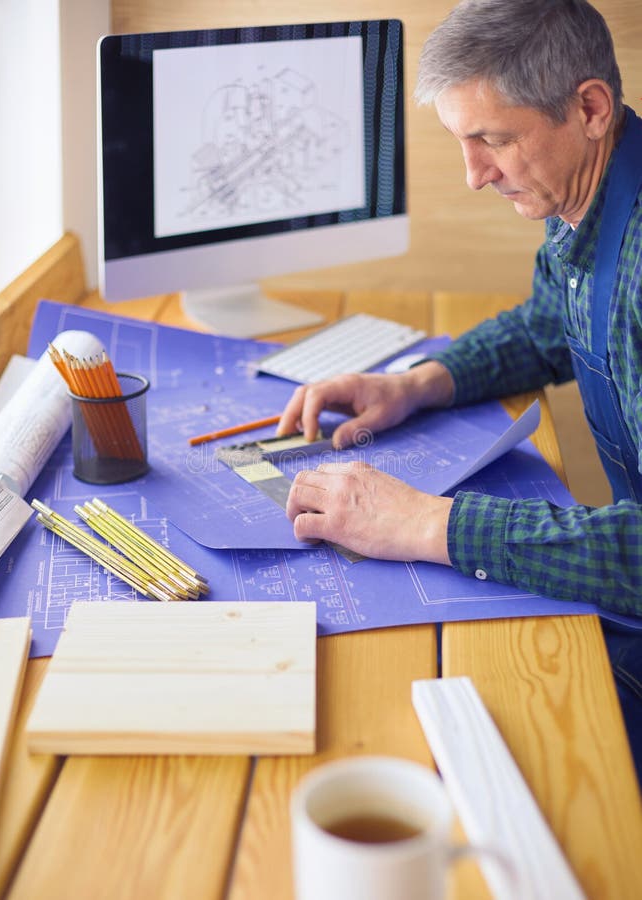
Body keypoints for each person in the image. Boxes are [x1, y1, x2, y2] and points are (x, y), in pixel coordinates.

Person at [277, 0, 642, 780]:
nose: (474, 176)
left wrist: (426, 524)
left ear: (588, 108)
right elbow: (550, 324)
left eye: (492, 140)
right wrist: (417, 384)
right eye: (462, 142)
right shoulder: (588, 191)